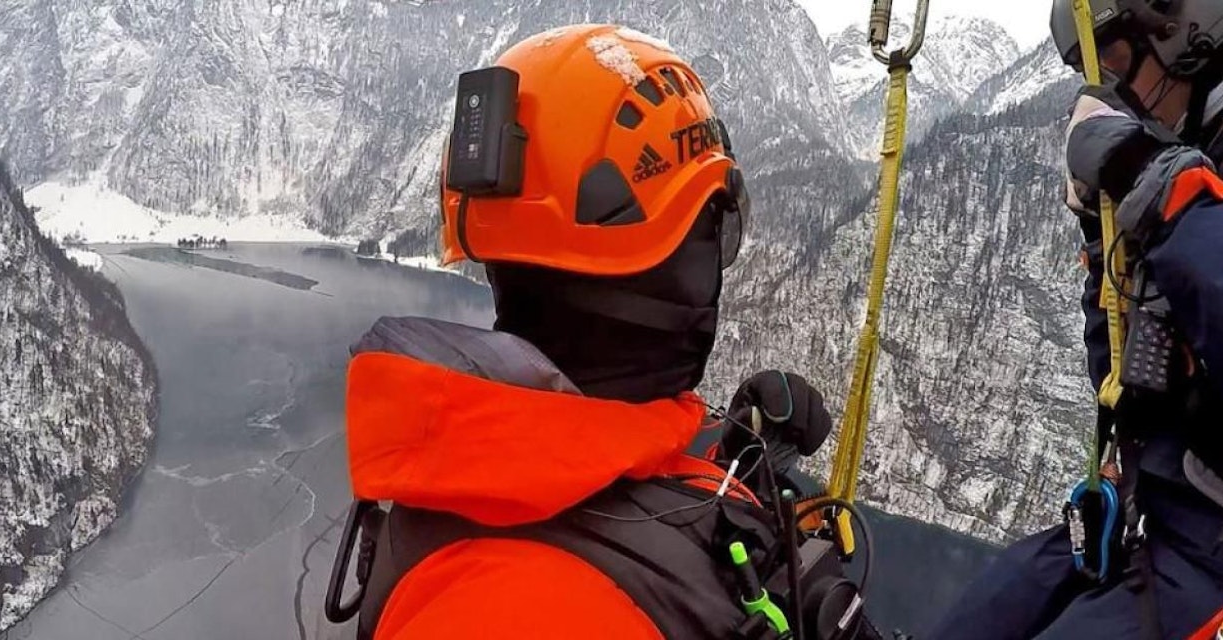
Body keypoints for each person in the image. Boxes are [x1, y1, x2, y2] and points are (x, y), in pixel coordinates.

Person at [324, 24, 873, 640]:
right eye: (711, 233)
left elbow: (612, 530)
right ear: (664, 254)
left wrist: (734, 477)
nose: (715, 267)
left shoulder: (510, 461)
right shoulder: (512, 612)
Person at [932, 1, 1223, 638]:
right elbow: (1121, 378)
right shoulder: (1188, 158)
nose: (1118, 91)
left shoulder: (1184, 179)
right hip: (1156, 511)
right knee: (984, 616)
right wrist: (1104, 245)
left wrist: (1162, 193)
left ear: (1181, 33)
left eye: (1118, 62)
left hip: (1207, 547)